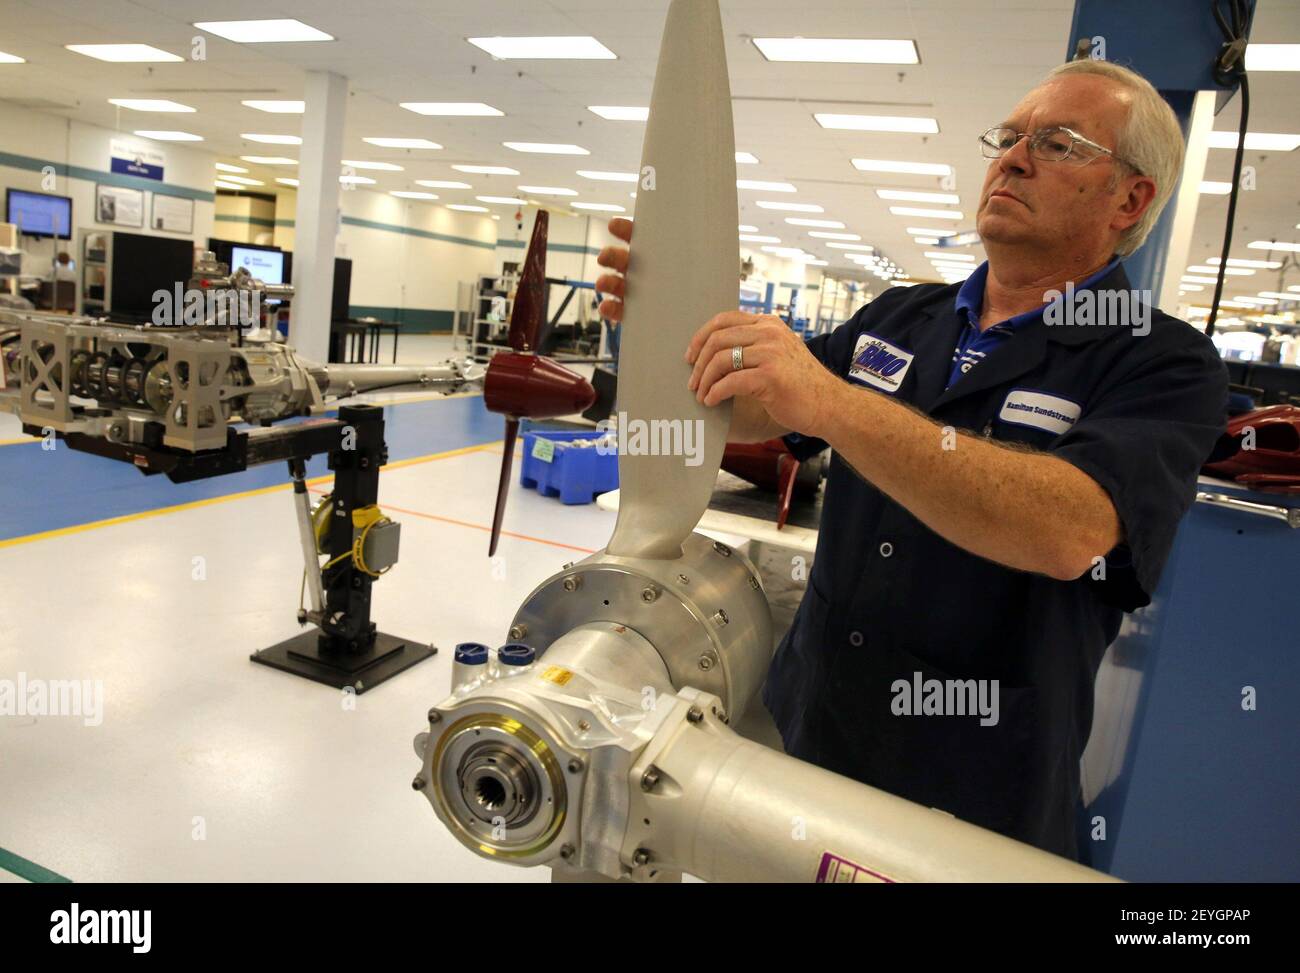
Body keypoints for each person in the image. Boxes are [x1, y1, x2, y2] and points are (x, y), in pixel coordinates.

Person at [594, 58, 1228, 860]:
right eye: (1007, 137)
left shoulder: (1161, 362)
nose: (1013, 157)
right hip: (805, 728)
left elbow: (1071, 529)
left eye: (1058, 142)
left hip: (972, 785)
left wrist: (831, 400)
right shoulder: (903, 313)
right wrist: (665, 329)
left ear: (1131, 198)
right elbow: (748, 414)